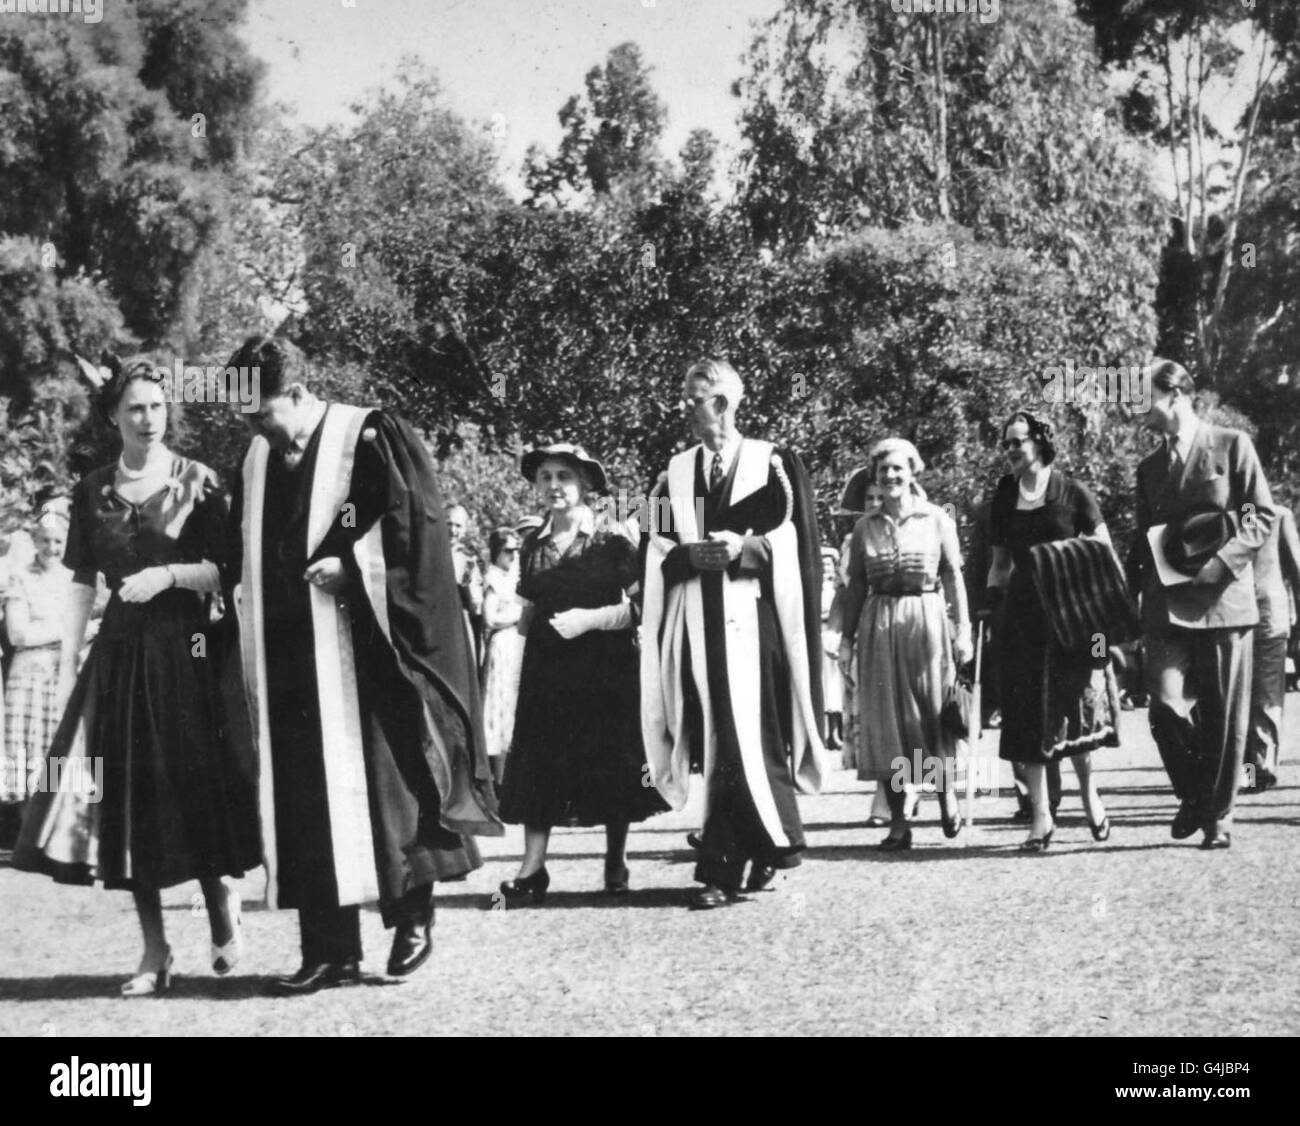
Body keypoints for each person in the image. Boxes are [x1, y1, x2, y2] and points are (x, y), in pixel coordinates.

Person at [226, 335, 500, 993]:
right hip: (293, 658)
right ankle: (328, 950)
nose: (256, 428)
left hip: (370, 652)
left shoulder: (370, 436)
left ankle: (412, 919)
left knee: (388, 790)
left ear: (296, 394)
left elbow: (416, 532)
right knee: (305, 803)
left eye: (262, 413)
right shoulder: (258, 460)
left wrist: (353, 568)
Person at [14, 355, 256, 996]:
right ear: (114, 418)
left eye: (157, 406)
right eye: (135, 409)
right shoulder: (91, 489)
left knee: (195, 786)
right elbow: (80, 584)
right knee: (127, 802)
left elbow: (226, 572)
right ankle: (155, 951)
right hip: (119, 657)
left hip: (188, 654)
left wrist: (170, 575)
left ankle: (220, 905)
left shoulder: (199, 480)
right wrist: (68, 667)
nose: (148, 419)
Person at [641, 358, 826, 909]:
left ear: (721, 403)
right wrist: (687, 555)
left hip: (755, 624)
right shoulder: (677, 473)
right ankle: (752, 853)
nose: (685, 409)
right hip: (700, 625)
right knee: (720, 739)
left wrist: (744, 550)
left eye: (693, 399)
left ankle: (738, 861)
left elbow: (798, 543)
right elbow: (654, 548)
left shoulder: (771, 464)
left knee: (756, 735)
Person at [497, 443, 666, 902]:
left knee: (610, 759)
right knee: (539, 760)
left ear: (586, 485)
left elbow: (642, 606)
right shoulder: (533, 545)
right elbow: (528, 608)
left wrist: (592, 619)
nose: (554, 486)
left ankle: (616, 860)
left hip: (604, 666)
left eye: (564, 477)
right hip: (548, 668)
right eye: (546, 477)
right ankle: (532, 869)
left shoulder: (612, 541)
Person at [1134, 360, 1275, 849]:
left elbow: (1259, 519)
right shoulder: (1148, 469)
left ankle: (1218, 817)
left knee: (1224, 715)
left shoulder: (1232, 445)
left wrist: (1222, 563)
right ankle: (1195, 792)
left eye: (1143, 397)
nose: (1138, 409)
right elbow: (1141, 539)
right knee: (1164, 704)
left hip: (1223, 598)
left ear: (1174, 396)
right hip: (1167, 603)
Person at [985, 411, 1122, 850]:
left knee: (1073, 710)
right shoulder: (1005, 495)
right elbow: (1000, 563)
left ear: (1039, 442)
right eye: (1005, 444)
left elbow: (1104, 550)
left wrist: (1111, 613)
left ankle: (1089, 795)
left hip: (1071, 616)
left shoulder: (1072, 492)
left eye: (1016, 442)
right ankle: (1041, 817)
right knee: (1026, 717)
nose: (1009, 451)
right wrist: (990, 607)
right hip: (1023, 618)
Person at [838, 438, 972, 850]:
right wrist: (846, 639)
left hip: (927, 619)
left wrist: (962, 628)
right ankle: (898, 822)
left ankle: (945, 792)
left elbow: (953, 576)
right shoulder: (865, 526)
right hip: (879, 625)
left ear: (913, 471)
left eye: (898, 469)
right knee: (886, 723)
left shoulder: (935, 519)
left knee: (931, 713)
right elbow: (856, 584)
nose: (891, 477)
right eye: (883, 471)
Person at [2, 508, 74, 813]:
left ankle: (54, 838)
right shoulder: (20, 578)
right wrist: (69, 630)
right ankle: (25, 838)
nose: (52, 548)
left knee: (60, 749)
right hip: (29, 674)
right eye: (45, 540)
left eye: (58, 541)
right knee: (28, 749)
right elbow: (19, 635)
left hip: (65, 673)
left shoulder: (75, 580)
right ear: (34, 541)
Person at [1242, 503, 1300, 793]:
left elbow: (1298, 573)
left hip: (1269, 618)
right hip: (1229, 618)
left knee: (1265, 696)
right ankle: (1247, 771)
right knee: (1236, 699)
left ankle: (1260, 769)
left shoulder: (1279, 517)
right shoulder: (1221, 516)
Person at [480, 527, 526, 782]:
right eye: (508, 550)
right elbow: (490, 618)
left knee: (515, 707)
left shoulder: (514, 577)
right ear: (497, 553)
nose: (513, 555)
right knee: (500, 707)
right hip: (503, 644)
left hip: (518, 645)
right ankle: (501, 782)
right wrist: (519, 617)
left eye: (516, 550)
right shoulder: (494, 579)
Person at [447, 502, 485, 663]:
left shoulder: (467, 559)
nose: (453, 530)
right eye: (448, 523)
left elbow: (475, 604)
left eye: (458, 525)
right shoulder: (428, 551)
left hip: (456, 622)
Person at [820, 546, 844, 750]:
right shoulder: (814, 587)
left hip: (836, 635)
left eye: (828, 564)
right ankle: (829, 733)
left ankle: (839, 733)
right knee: (825, 685)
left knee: (837, 684)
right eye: (822, 564)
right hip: (820, 636)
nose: (825, 568)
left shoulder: (837, 588)